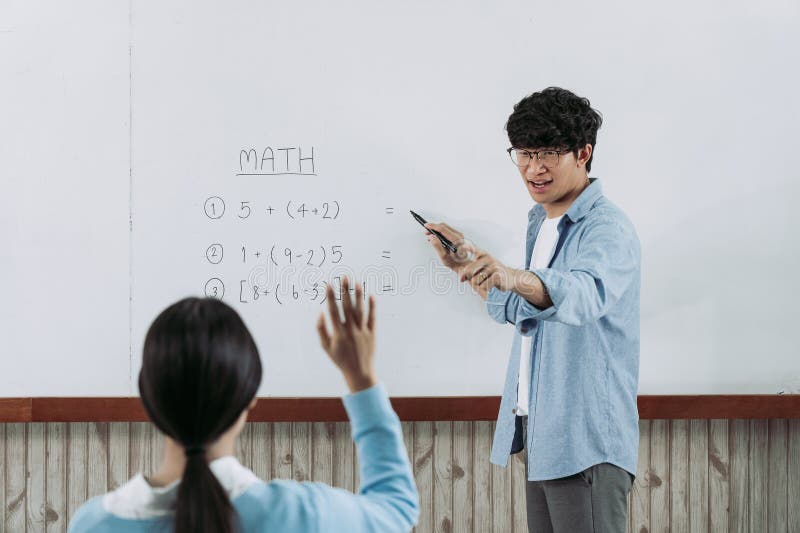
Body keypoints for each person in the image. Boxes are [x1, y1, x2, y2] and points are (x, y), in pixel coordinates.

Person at [424, 87, 641, 532]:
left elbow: (582, 294)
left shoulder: (607, 228)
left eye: (549, 154)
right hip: (544, 438)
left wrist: (511, 275)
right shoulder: (541, 221)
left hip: (586, 443)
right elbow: (522, 306)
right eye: (524, 153)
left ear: (583, 153)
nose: (533, 168)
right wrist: (466, 263)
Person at [68, 278, 419, 533]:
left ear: (148, 399)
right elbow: (395, 508)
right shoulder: (303, 517)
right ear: (250, 396)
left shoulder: (92, 525)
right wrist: (361, 378)